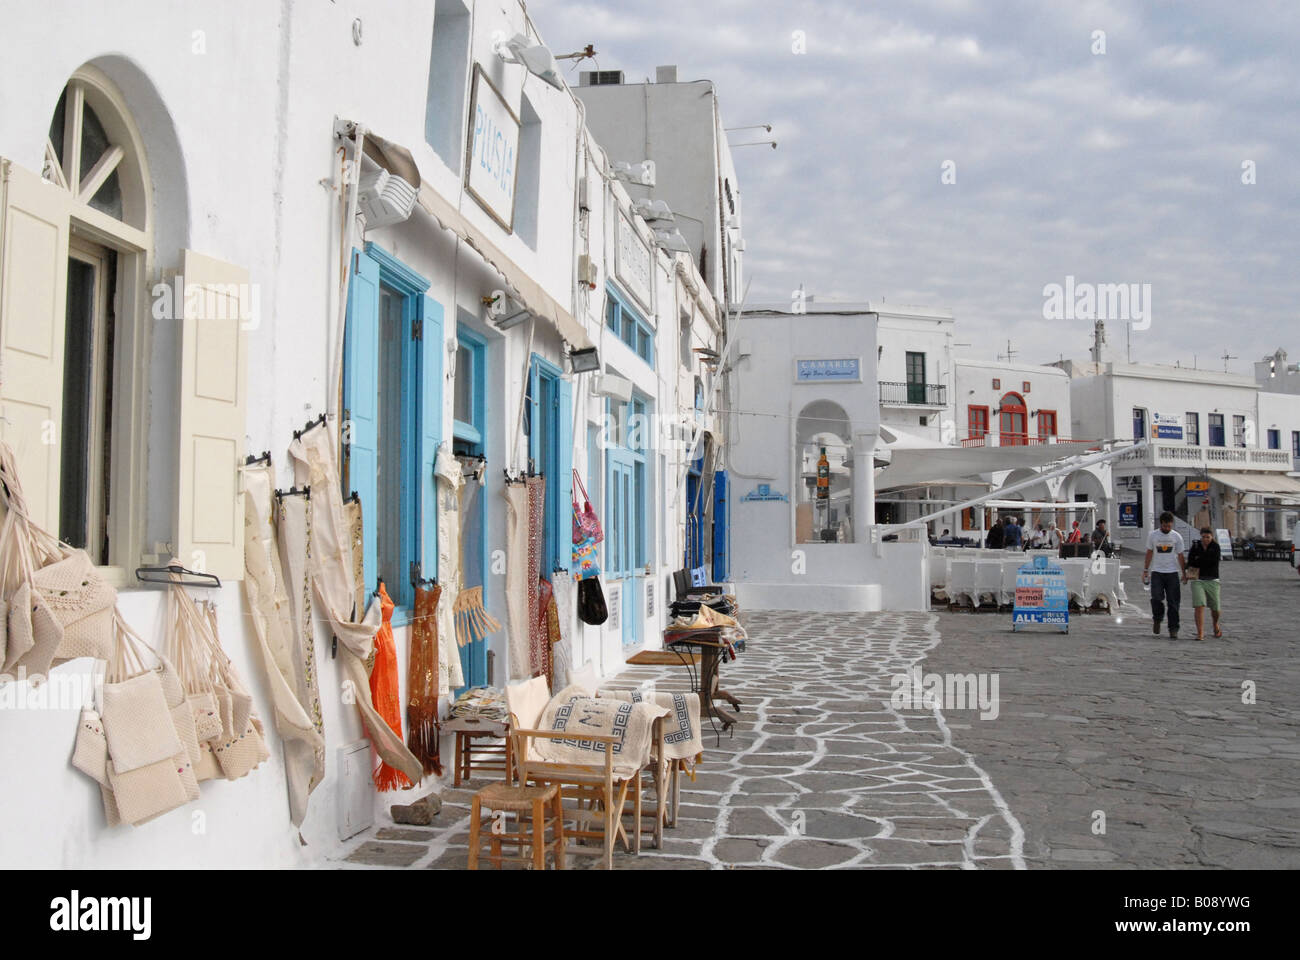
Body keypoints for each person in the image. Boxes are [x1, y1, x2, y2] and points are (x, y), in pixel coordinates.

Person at [1143, 511, 1187, 639]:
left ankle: (1173, 628)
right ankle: (1157, 618)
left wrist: (1184, 573)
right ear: (1161, 524)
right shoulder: (1153, 535)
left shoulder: (1177, 537)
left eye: (1169, 526)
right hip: (1157, 572)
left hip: (1172, 572)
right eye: (1165, 526)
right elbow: (1149, 552)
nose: (1167, 528)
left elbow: (1180, 555)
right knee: (1156, 598)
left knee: (1173, 603)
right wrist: (1146, 570)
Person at [1186, 526, 1222, 641]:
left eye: (1208, 537)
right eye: (1203, 537)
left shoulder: (1215, 547)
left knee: (1215, 608)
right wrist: (1201, 560)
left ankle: (1215, 624)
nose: (1205, 539)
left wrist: (1199, 560)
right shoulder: (1196, 546)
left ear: (1212, 537)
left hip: (1212, 579)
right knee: (1199, 605)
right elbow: (1190, 561)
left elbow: (1213, 561)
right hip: (1198, 579)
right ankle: (1200, 632)